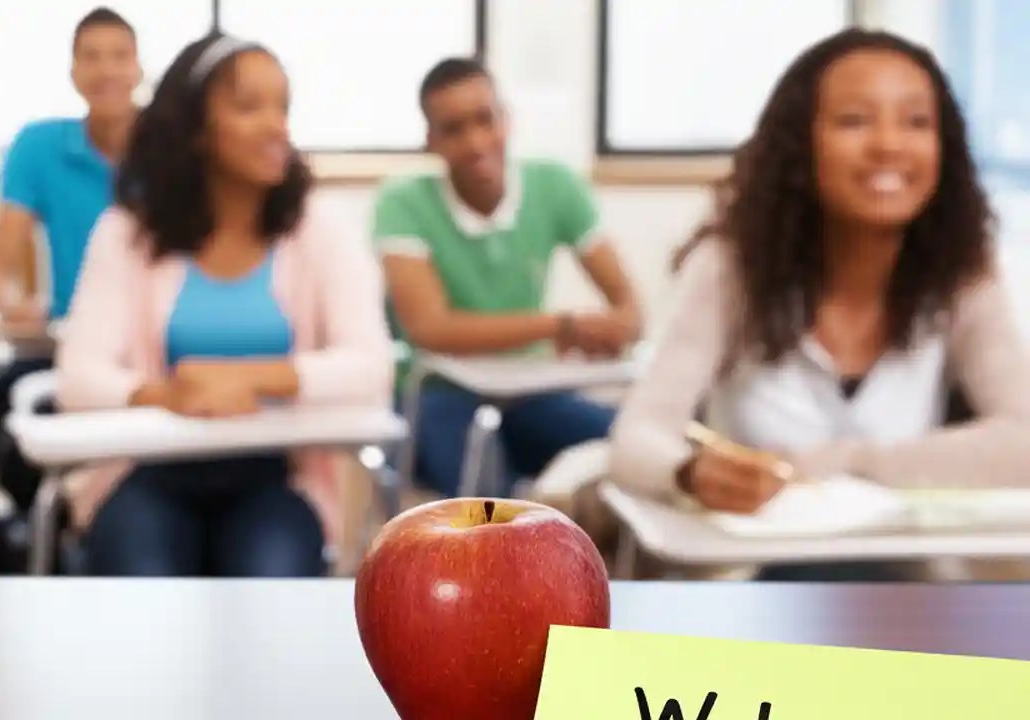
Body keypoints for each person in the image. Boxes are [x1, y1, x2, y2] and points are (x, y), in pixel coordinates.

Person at [610, 29, 1030, 581]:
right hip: (755, 591)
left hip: (910, 587)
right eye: (855, 120)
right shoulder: (730, 268)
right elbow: (635, 438)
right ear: (801, 146)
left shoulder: (963, 273)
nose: (889, 144)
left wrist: (845, 464)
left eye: (916, 122)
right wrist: (689, 472)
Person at [55, 33, 395, 577]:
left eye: (282, 107)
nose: (276, 125)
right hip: (147, 475)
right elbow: (78, 378)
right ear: (194, 128)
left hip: (278, 481)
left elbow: (371, 367)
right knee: (145, 597)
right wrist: (167, 393)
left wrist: (250, 379)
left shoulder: (320, 227)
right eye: (248, 106)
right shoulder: (125, 234)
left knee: (270, 591)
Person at [372, 58, 643, 499]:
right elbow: (430, 330)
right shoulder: (402, 203)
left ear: (506, 119)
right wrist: (562, 326)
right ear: (432, 141)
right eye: (454, 129)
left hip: (530, 389)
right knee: (484, 497)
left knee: (634, 447)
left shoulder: (555, 186)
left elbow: (631, 312)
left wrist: (612, 329)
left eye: (485, 120)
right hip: (440, 393)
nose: (476, 142)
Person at [0, 7, 142, 543]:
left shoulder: (172, 151)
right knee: (2, 396)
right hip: (69, 341)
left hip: (154, 347)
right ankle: (39, 530)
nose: (105, 70)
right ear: (72, 72)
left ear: (140, 69)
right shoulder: (38, 147)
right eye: (90, 57)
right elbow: (0, 270)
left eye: (119, 56)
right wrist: (12, 304)